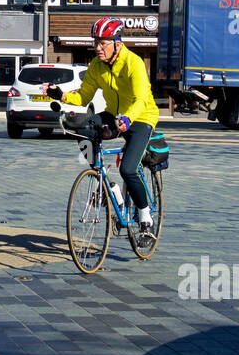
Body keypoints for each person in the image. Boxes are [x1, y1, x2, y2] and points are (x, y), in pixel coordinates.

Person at [46, 17, 160, 241]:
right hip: (114, 113)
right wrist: (61, 95)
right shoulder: (97, 66)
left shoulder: (133, 63)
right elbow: (84, 96)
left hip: (141, 117)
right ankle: (102, 177)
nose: (97, 48)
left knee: (129, 169)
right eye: (96, 42)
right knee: (84, 129)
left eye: (103, 43)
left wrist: (127, 119)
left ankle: (145, 217)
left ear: (117, 43)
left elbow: (140, 99)